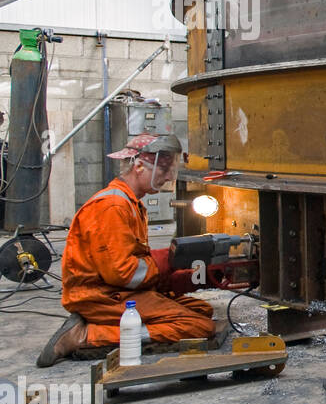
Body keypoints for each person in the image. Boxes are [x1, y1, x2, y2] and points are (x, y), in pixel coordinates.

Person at [37, 132, 216, 367]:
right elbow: (125, 274)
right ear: (139, 166)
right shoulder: (112, 207)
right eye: (162, 170)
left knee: (201, 310)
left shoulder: (131, 203)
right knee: (200, 327)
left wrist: (192, 277)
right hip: (100, 295)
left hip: (116, 290)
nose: (167, 177)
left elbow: (133, 265)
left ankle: (101, 325)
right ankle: (85, 336)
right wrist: (166, 261)